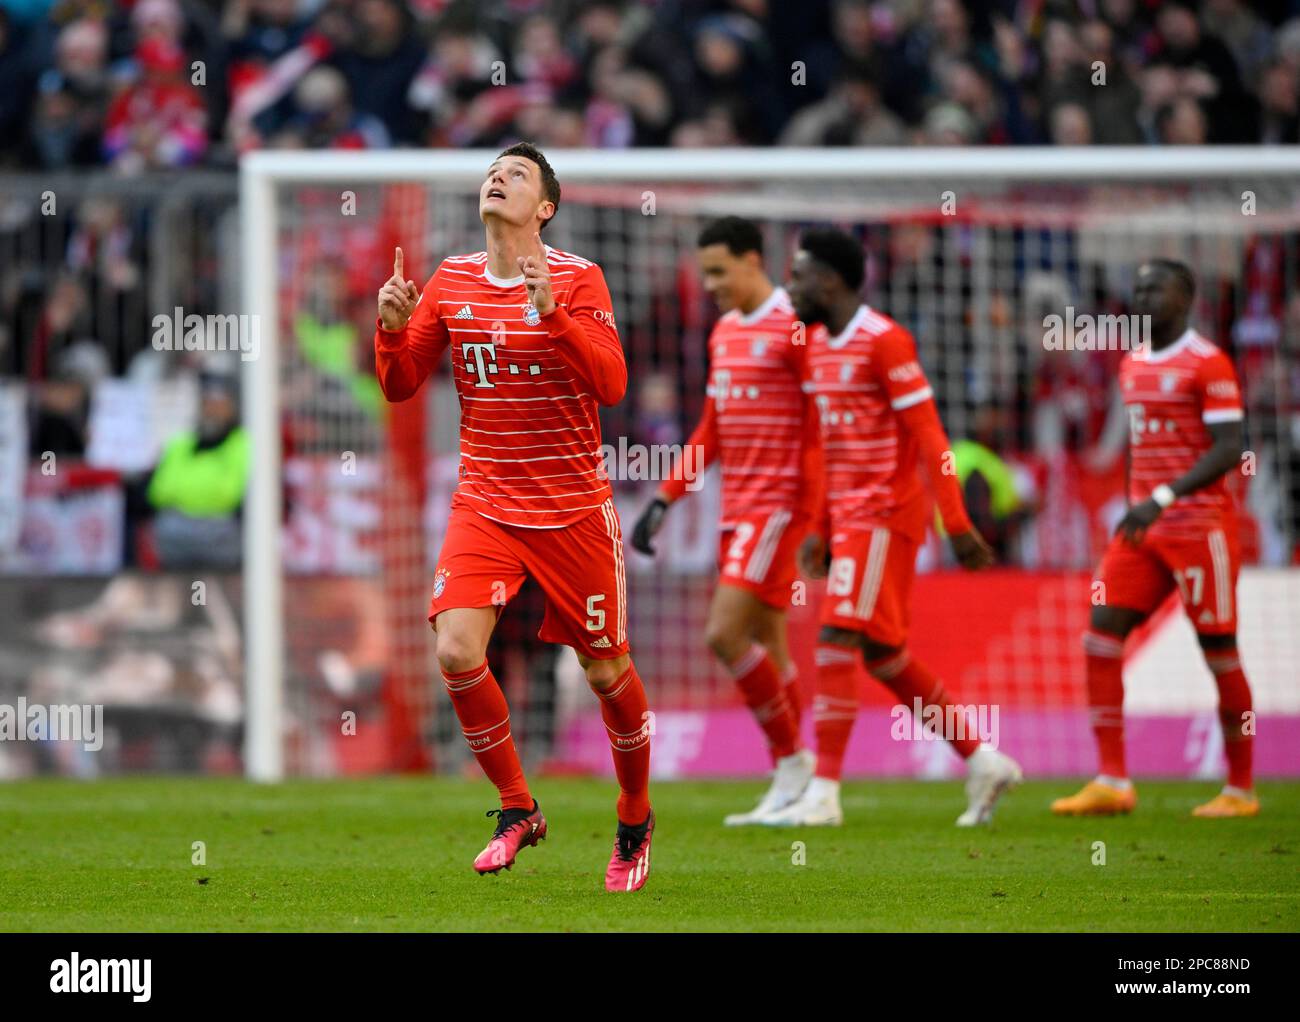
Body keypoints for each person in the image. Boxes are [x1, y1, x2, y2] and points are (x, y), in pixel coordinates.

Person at [373, 142, 655, 891]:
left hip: (572, 511)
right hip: (486, 503)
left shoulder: (578, 278)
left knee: (606, 669)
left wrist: (553, 315)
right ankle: (516, 807)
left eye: (518, 174)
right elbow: (402, 385)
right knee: (458, 651)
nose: (497, 178)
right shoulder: (450, 278)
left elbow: (614, 384)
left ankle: (633, 817)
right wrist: (393, 329)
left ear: (546, 207)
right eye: (493, 170)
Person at [769, 228, 1022, 828]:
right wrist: (820, 525)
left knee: (835, 641)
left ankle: (824, 794)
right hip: (851, 517)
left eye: (799, 276)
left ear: (830, 281)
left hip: (885, 514)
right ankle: (983, 759)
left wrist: (956, 521)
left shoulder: (885, 341)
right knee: (884, 655)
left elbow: (930, 436)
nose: (791, 286)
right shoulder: (819, 346)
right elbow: (833, 445)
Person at [631, 216, 818, 825]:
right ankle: (794, 777)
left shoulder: (794, 325)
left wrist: (819, 518)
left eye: (718, 271)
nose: (709, 284)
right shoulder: (723, 333)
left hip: (778, 507)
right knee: (770, 646)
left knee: (722, 633)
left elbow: (822, 427)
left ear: (752, 261)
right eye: (702, 272)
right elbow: (711, 431)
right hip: (736, 509)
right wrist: (664, 499)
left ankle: (792, 763)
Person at [1053, 260, 1257, 818]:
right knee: (1099, 637)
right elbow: (1140, 446)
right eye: (1138, 286)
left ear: (1186, 296)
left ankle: (1240, 789)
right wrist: (1131, 505)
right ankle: (1112, 780)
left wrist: (1161, 498)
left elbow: (1228, 448)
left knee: (1218, 653)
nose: (1142, 296)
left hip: (1198, 529)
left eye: (1155, 287)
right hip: (1144, 529)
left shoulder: (1208, 363)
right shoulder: (1133, 361)